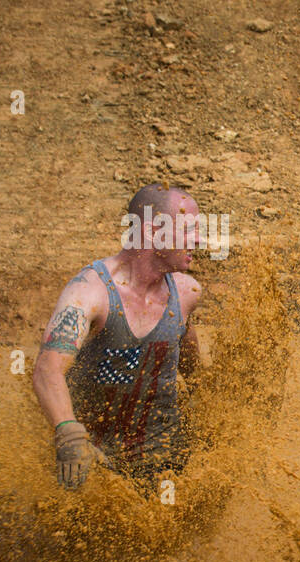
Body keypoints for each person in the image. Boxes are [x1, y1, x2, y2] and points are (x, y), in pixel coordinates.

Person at [32, 183, 204, 492]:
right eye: (190, 229)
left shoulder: (187, 293)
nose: (199, 240)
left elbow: (195, 374)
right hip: (94, 465)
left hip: (165, 462)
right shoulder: (90, 292)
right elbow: (48, 369)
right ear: (153, 231)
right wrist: (69, 433)